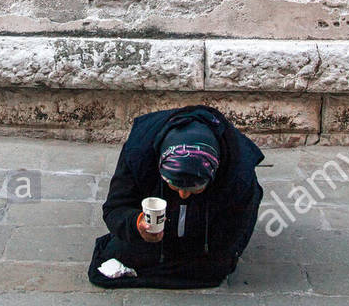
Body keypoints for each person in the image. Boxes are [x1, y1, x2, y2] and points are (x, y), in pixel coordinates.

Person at [87, 104, 264, 289]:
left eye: (195, 188)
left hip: (205, 233)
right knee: (119, 253)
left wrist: (205, 243)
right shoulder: (138, 154)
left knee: (214, 268)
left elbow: (237, 227)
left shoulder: (238, 173)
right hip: (156, 236)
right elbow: (115, 208)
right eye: (174, 185)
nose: (183, 194)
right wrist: (136, 224)